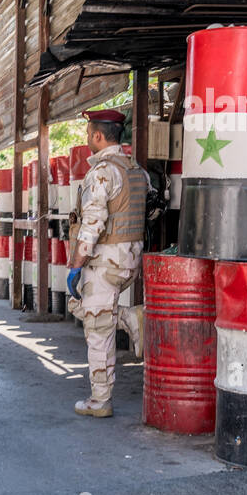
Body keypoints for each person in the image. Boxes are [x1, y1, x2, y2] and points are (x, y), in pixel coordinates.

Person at [67, 109, 148, 418]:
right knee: (87, 309)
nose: (88, 138)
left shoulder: (102, 172)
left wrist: (76, 264)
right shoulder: (135, 169)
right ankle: (129, 316)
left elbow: (92, 225)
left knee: (97, 328)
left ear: (98, 136)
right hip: (130, 261)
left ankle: (100, 400)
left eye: (89, 133)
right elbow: (148, 209)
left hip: (105, 262)